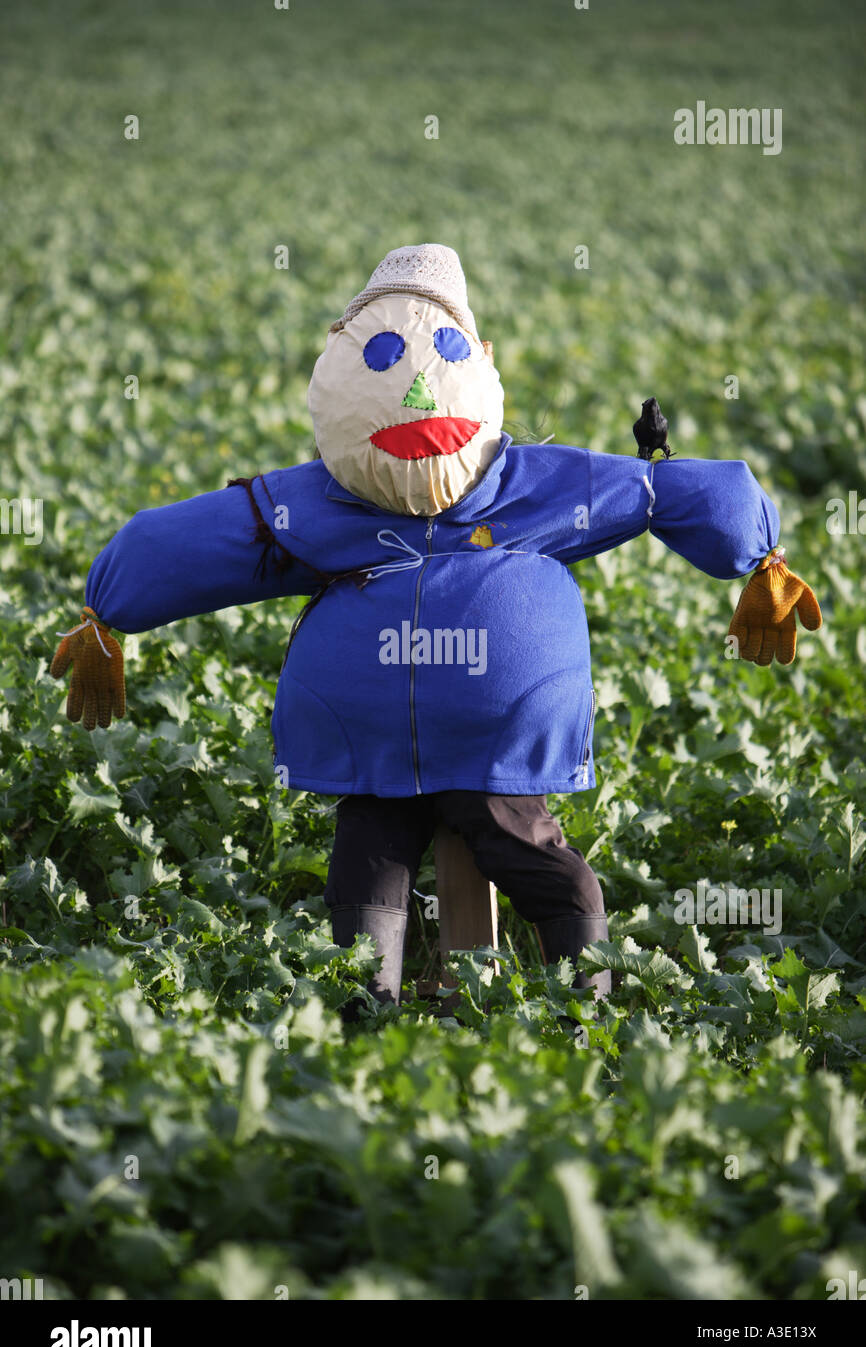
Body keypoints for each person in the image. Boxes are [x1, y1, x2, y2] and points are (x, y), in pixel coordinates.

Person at [51, 244, 822, 1011]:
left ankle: (375, 999)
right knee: (524, 848)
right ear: (484, 361)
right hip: (471, 739)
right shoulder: (534, 485)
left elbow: (195, 540)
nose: (418, 387)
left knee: (372, 850)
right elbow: (664, 492)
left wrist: (108, 610)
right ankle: (572, 1001)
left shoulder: (315, 503)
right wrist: (758, 556)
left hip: (377, 739)